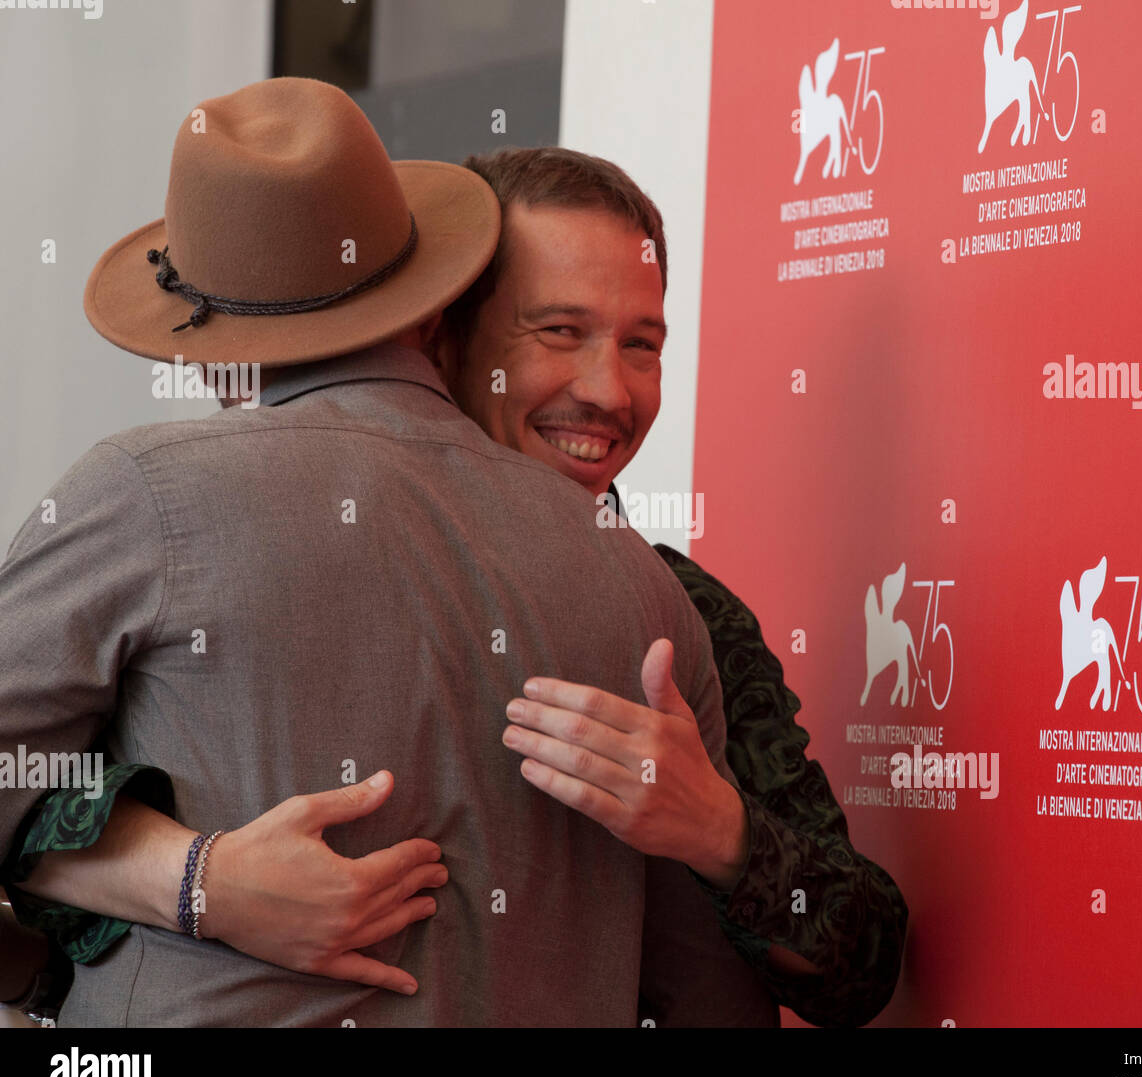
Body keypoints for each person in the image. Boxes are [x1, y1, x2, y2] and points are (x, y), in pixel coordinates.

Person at [5, 140, 909, 1028]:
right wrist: (192, 877)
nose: (608, 388)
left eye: (643, 343)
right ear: (438, 328)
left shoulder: (678, 610)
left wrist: (722, 832)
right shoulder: (203, 527)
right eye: (558, 331)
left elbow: (851, 969)